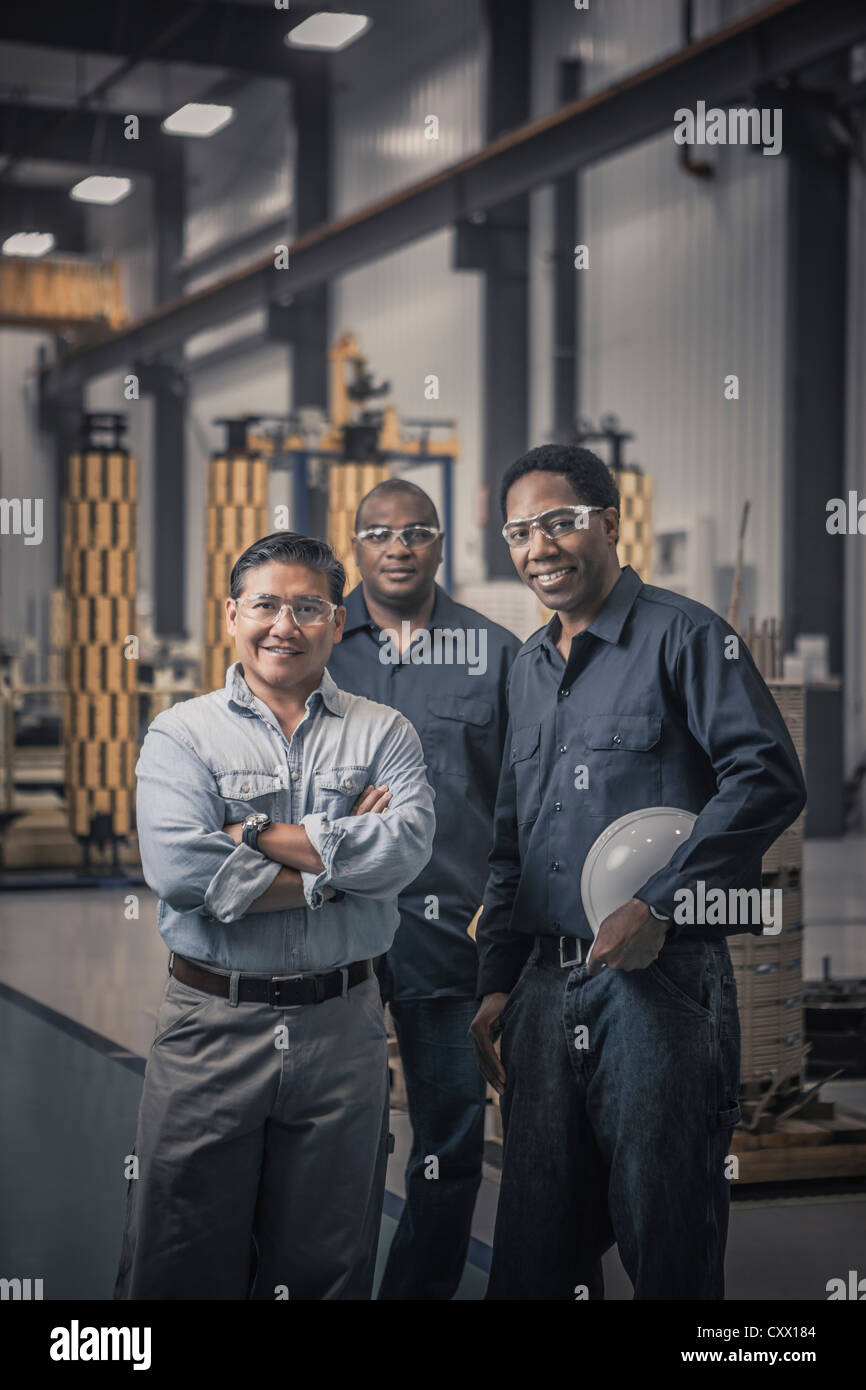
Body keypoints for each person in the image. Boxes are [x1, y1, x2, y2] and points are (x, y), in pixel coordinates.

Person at [470, 444, 807, 1300]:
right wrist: (497, 981)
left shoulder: (685, 636)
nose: (538, 545)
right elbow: (515, 836)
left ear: (610, 522)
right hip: (545, 992)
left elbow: (767, 775)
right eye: (519, 529)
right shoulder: (528, 667)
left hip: (660, 984)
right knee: (535, 1246)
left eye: (560, 521)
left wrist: (660, 901)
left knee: (669, 1239)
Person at [115, 532, 435, 1300]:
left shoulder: (385, 733)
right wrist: (338, 870)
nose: (283, 625)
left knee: (326, 1263)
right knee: (179, 1258)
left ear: (337, 619)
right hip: (209, 1029)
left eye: (307, 606)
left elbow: (404, 852)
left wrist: (251, 834)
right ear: (232, 614)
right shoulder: (181, 734)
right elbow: (180, 870)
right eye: (265, 604)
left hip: (345, 1028)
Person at [326, 478, 520, 1300]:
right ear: (356, 544)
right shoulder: (314, 639)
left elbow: (523, 798)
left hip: (450, 940)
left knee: (450, 1140)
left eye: (416, 532)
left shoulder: (498, 654)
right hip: (332, 937)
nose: (398, 547)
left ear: (442, 544)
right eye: (379, 533)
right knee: (333, 1140)